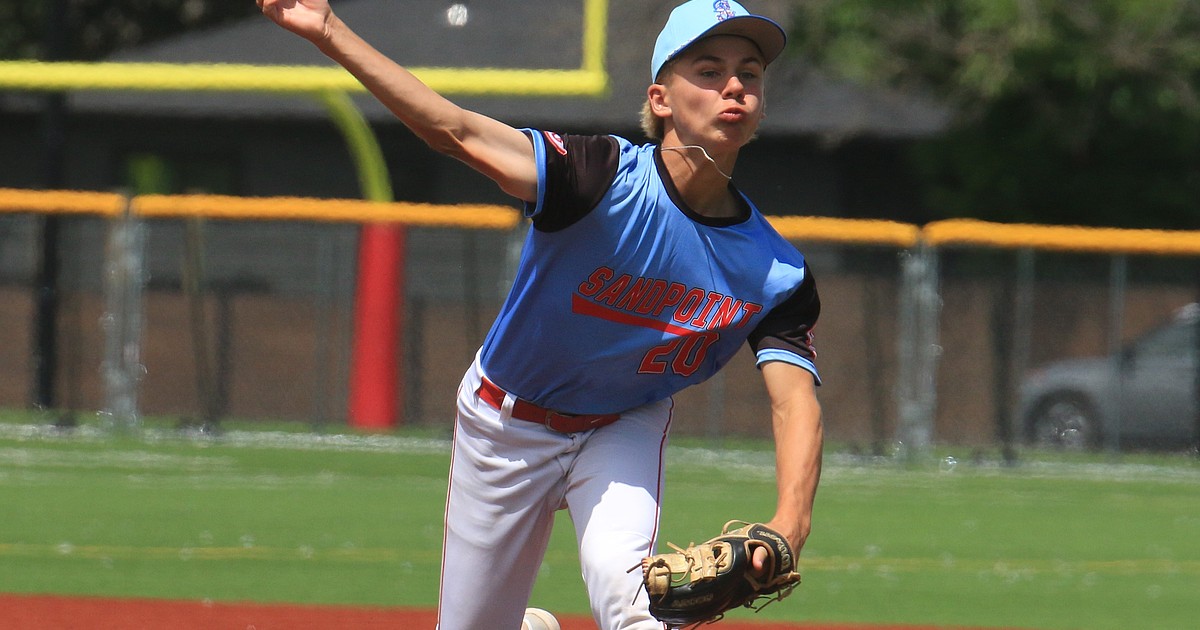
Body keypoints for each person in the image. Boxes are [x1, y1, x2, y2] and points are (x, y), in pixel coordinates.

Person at [258, 0, 824, 628]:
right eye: (710, 70)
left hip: (622, 424)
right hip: (505, 424)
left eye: (750, 72)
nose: (734, 85)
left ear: (761, 105)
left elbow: (794, 401)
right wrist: (328, 30)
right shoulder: (599, 178)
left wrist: (790, 525)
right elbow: (457, 131)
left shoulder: (777, 271)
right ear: (660, 100)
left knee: (637, 605)